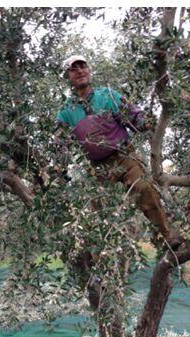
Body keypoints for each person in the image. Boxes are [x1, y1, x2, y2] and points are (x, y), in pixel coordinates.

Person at [55, 55, 170, 241]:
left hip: (124, 156)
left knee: (144, 189)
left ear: (89, 70)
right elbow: (60, 144)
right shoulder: (66, 111)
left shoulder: (108, 95)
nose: (80, 71)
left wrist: (144, 121)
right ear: (67, 77)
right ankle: (101, 258)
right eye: (73, 69)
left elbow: (133, 115)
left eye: (82, 66)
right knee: (98, 210)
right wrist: (59, 170)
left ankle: (166, 236)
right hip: (97, 167)